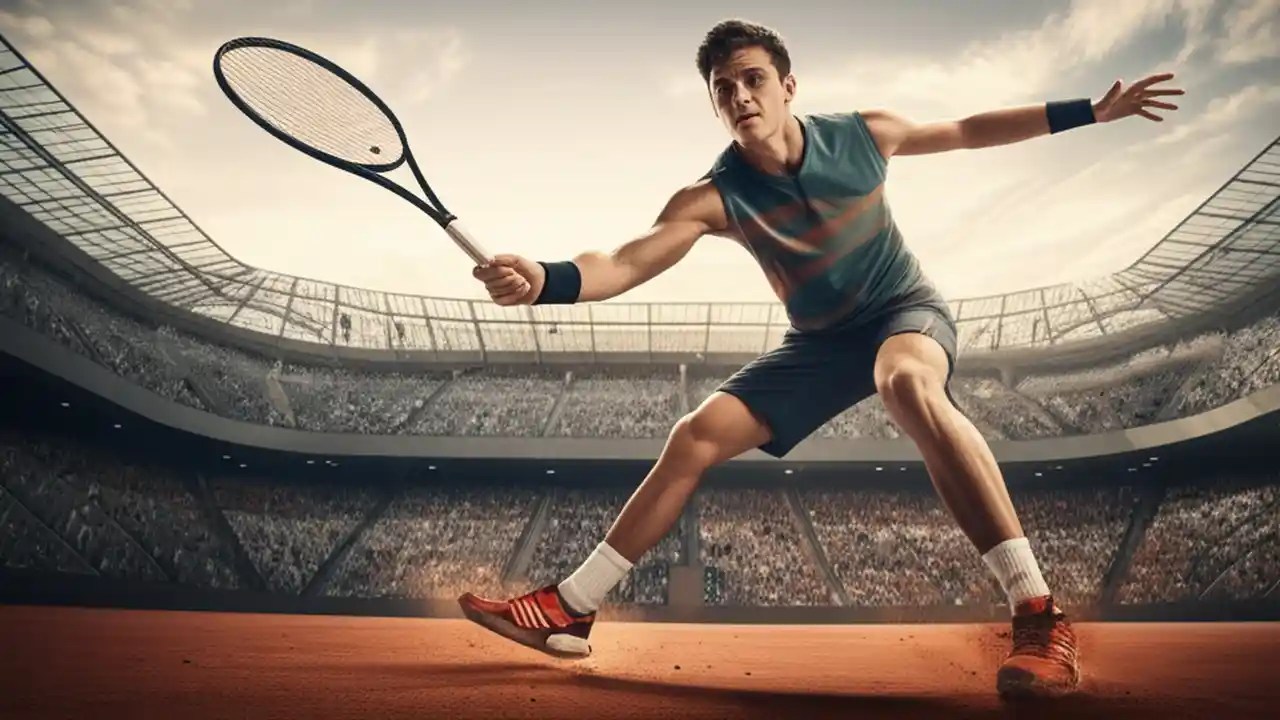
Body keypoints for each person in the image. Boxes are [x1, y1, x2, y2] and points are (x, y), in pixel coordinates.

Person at [458, 18, 1182, 698]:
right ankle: (571, 607)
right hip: (819, 344)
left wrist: (1089, 110)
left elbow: (964, 129)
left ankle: (1039, 613)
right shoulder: (714, 197)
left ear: (788, 87)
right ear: (714, 106)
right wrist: (543, 279)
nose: (741, 96)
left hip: (903, 312)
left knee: (904, 383)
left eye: (753, 80)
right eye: (724, 90)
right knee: (694, 436)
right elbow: (623, 261)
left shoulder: (864, 135)